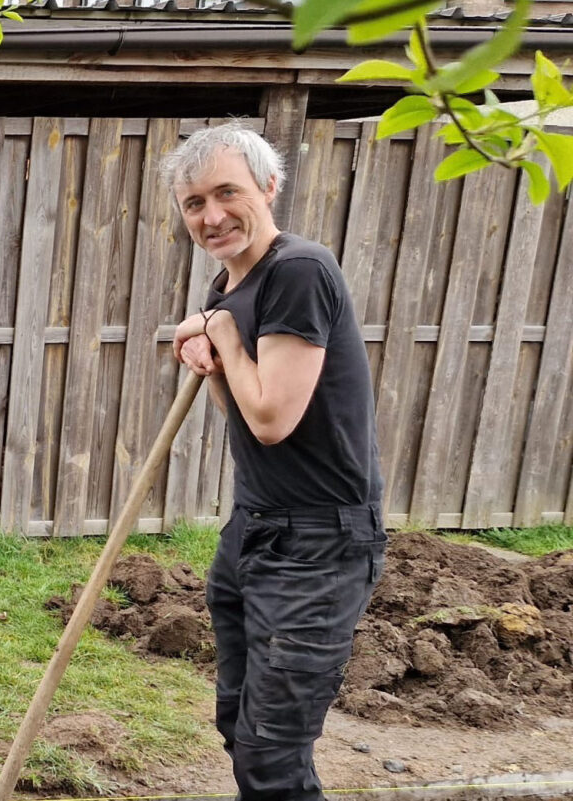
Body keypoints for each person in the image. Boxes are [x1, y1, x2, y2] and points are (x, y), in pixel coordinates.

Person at [165, 122, 387, 801]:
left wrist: (222, 337)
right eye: (194, 202)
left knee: (271, 752)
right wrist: (207, 341)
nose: (212, 215)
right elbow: (249, 409)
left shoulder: (298, 269)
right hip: (254, 530)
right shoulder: (225, 289)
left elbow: (270, 419)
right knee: (243, 727)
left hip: (319, 542)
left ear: (269, 186)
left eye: (227, 192)